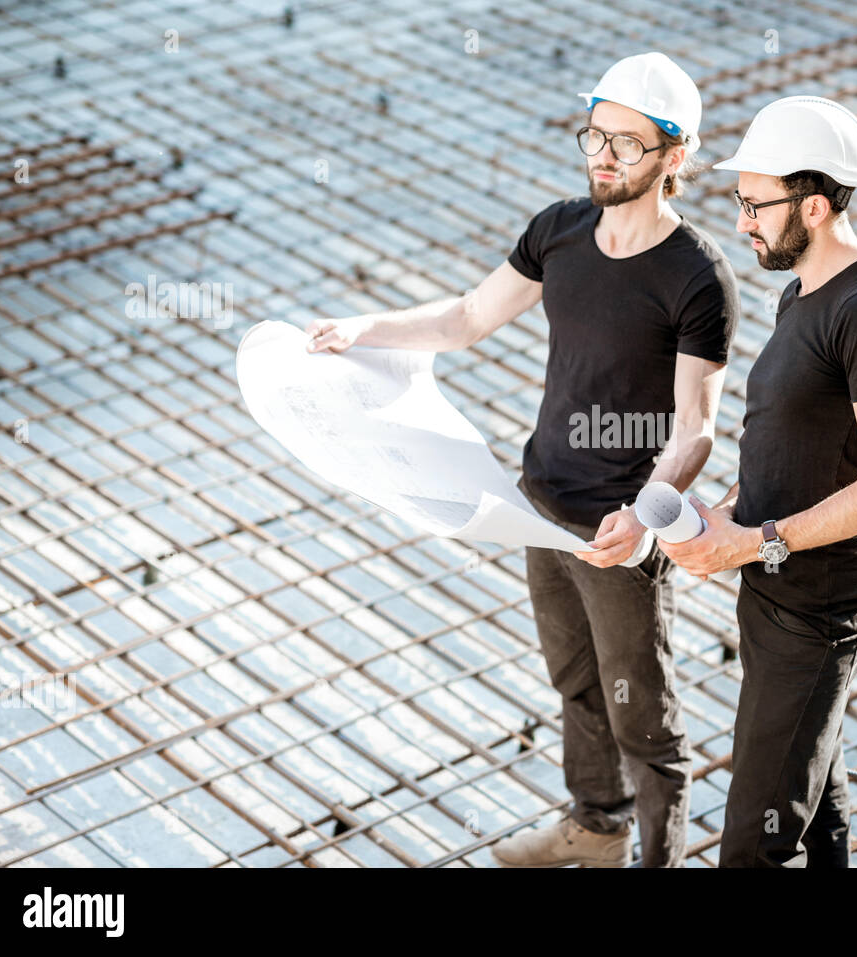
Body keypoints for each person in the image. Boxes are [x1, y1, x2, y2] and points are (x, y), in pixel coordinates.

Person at [307, 52, 740, 867]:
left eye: (628, 144)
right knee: (577, 681)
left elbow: (696, 427)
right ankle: (598, 826)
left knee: (643, 712)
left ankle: (661, 857)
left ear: (675, 159)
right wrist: (370, 326)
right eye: (595, 136)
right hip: (539, 505)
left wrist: (646, 516)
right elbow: (468, 318)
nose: (602, 156)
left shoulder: (699, 277)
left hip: (620, 529)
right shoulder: (559, 230)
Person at [657, 96, 857, 867]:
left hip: (819, 610)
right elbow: (790, 438)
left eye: (754, 204)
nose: (741, 221)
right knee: (816, 810)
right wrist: (730, 515)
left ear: (813, 204)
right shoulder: (800, 287)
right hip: (775, 590)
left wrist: (756, 541)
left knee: (753, 842)